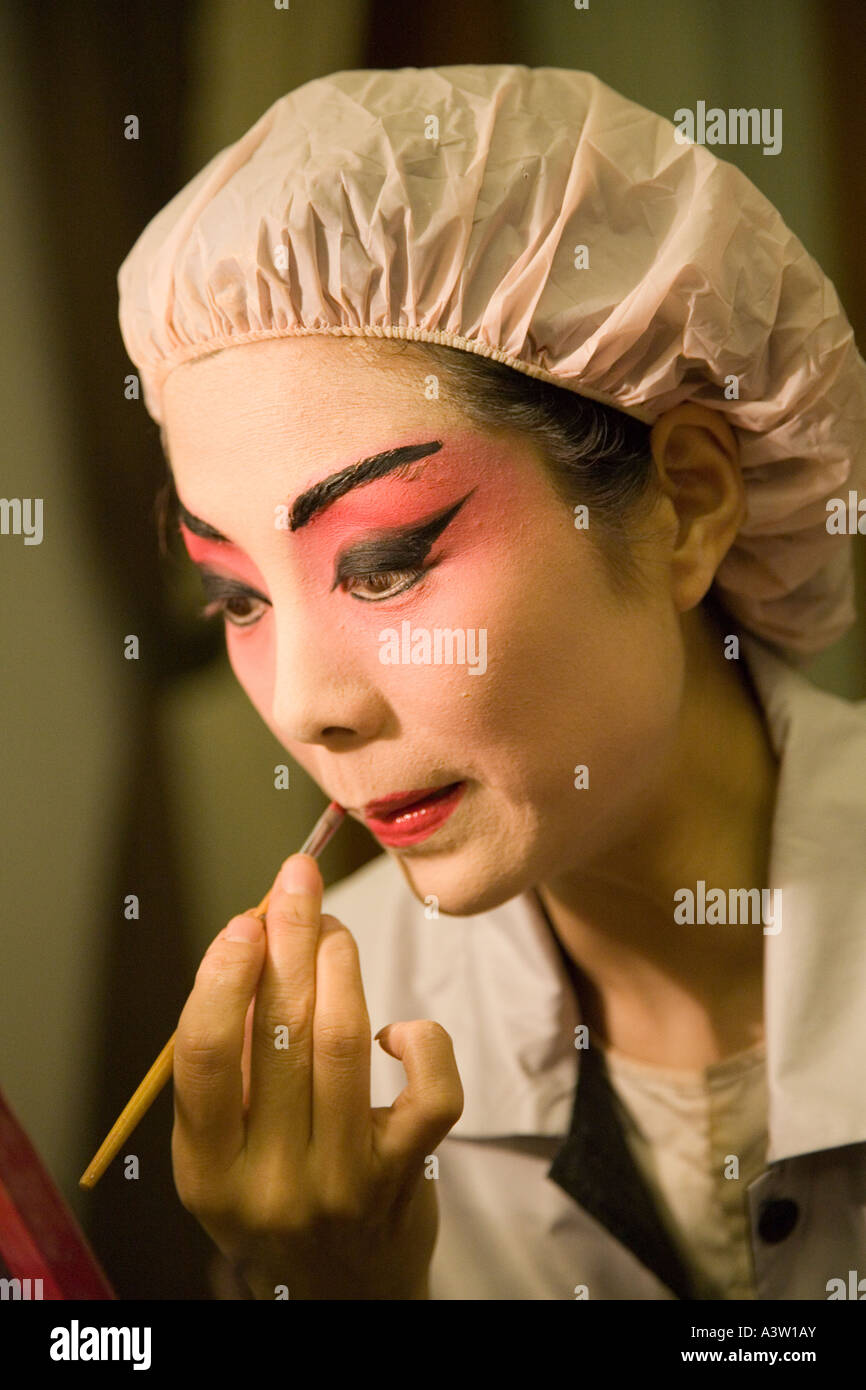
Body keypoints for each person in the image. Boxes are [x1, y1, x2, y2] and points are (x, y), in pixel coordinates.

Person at [117, 66, 866, 1300]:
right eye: (238, 599)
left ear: (686, 501)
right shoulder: (315, 1089)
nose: (306, 706)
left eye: (387, 563)